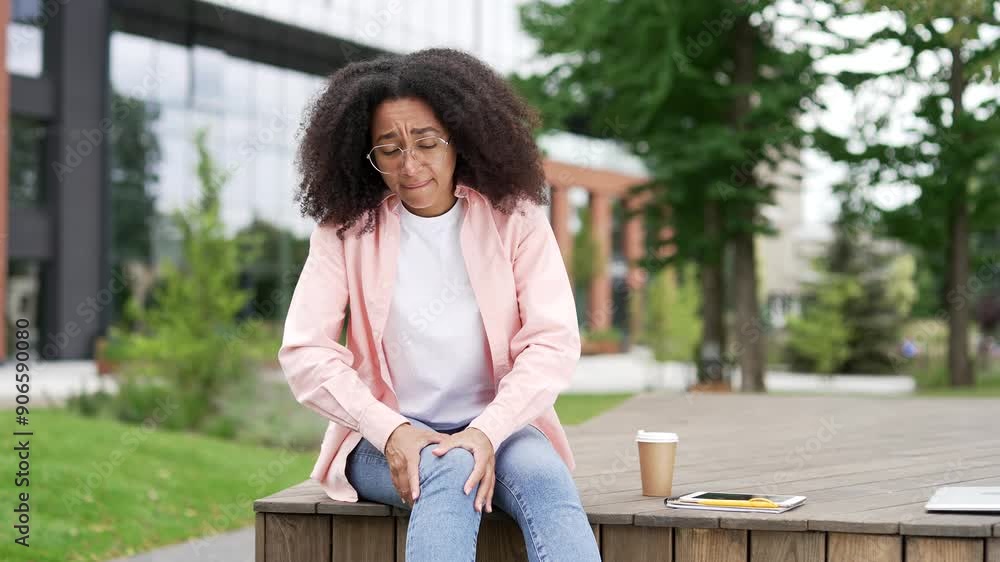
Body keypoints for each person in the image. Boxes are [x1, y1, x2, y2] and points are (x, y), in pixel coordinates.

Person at [278, 48, 602, 562]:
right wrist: (391, 429)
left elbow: (552, 342)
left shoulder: (516, 220)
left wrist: (485, 432)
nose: (410, 165)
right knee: (446, 473)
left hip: (504, 426)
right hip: (384, 439)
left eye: (427, 143)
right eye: (388, 150)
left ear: (462, 139)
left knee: (548, 486)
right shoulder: (343, 232)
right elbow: (305, 352)